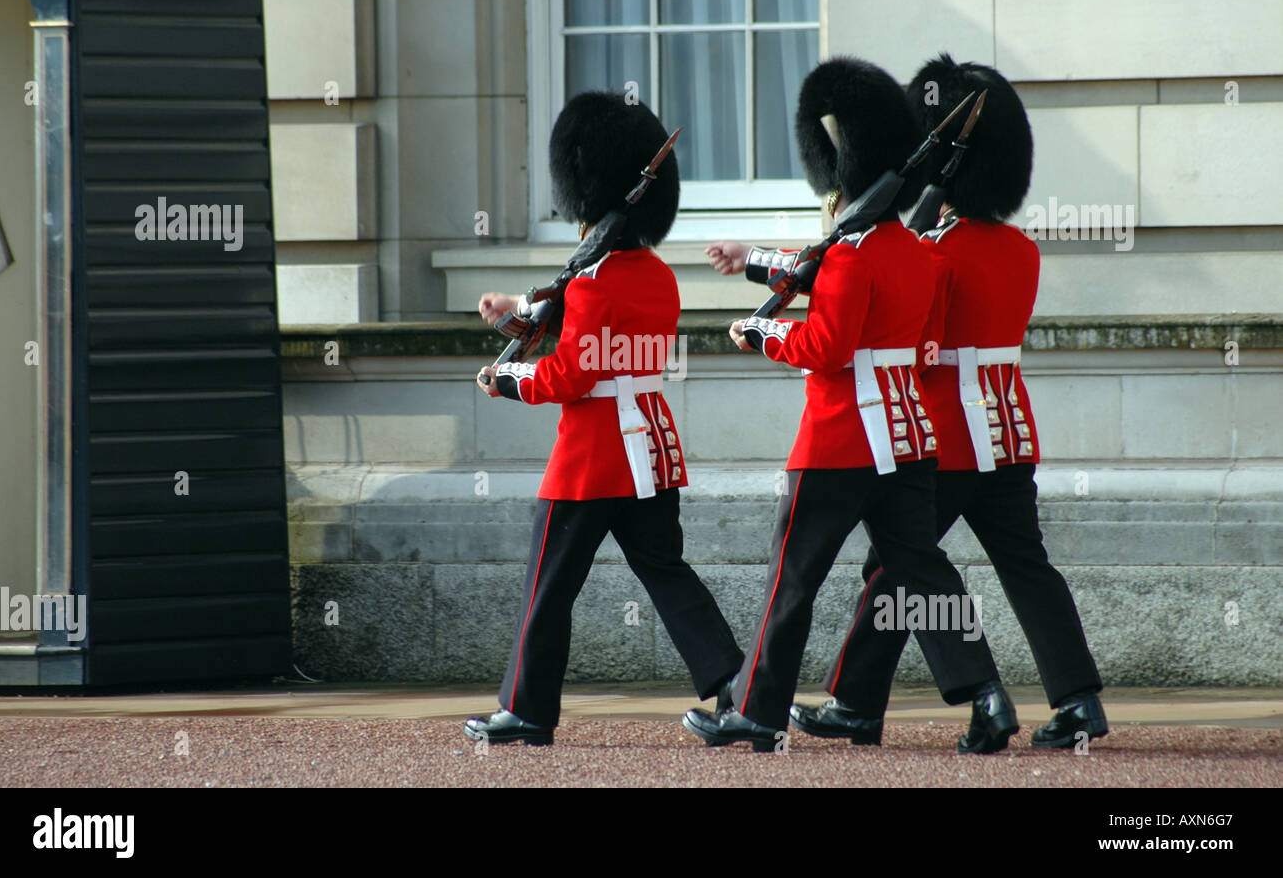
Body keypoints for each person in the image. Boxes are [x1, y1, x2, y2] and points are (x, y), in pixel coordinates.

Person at [684, 56, 1018, 755]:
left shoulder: (852, 255)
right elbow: (829, 271)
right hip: (907, 442)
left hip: (839, 443)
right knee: (924, 575)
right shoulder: (911, 251)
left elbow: (828, 341)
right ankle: (985, 693)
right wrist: (754, 259)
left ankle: (756, 712)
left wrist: (761, 331)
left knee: (792, 581)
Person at [788, 54, 1107, 749]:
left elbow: (896, 329)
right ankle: (1079, 700)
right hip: (1008, 431)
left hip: (944, 437)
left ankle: (892, 702)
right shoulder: (1019, 250)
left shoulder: (933, 250)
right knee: (1027, 566)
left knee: (896, 567)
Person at [465, 92, 743, 746]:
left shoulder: (592, 283)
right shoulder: (657, 278)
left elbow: (570, 374)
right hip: (650, 453)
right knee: (671, 578)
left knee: (547, 587)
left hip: (590, 462)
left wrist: (505, 379)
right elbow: (587, 335)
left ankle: (529, 711)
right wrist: (515, 317)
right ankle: (735, 689)